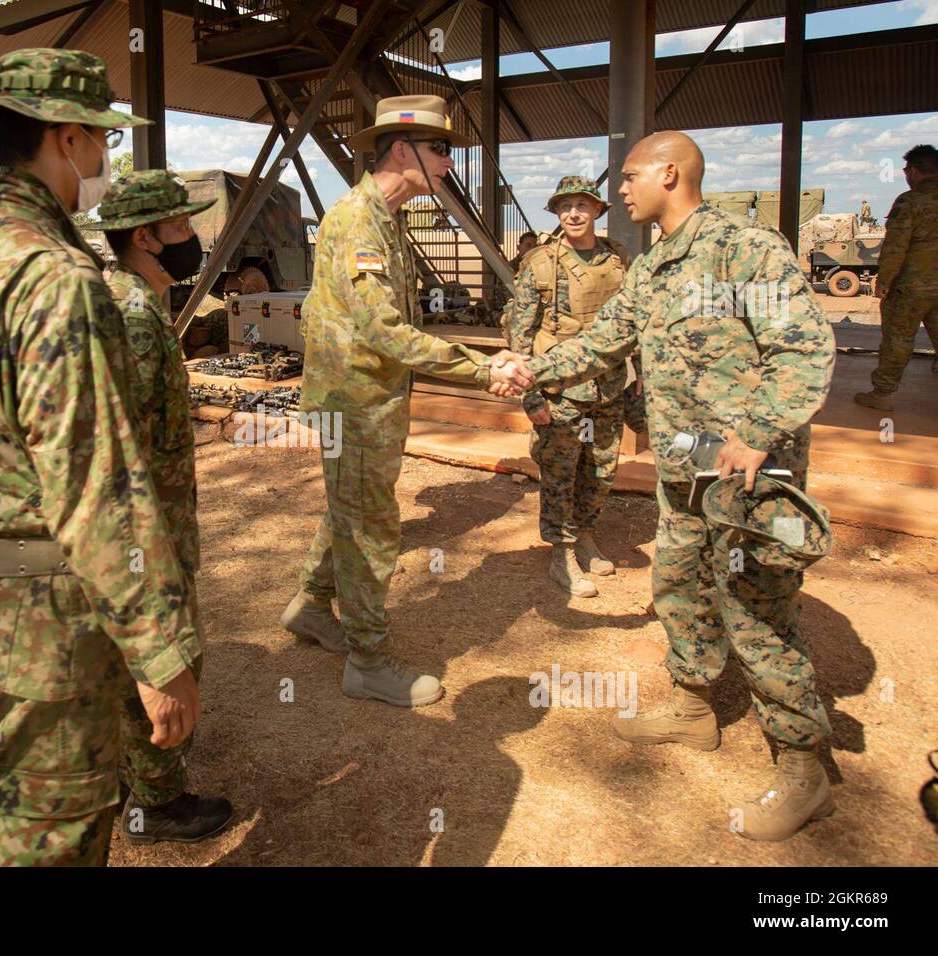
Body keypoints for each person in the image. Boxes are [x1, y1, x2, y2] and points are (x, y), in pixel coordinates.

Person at [491, 131, 837, 842]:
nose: (619, 190)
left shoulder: (744, 249)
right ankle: (691, 705)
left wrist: (758, 431)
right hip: (685, 463)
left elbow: (801, 347)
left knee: (757, 607)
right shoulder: (649, 269)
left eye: (630, 177)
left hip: (743, 467)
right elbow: (604, 341)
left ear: (669, 174)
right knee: (678, 584)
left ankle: (805, 766)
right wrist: (530, 370)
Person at [0, 48, 203, 866]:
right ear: (69, 140)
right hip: (51, 619)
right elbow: (94, 481)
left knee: (4, 814)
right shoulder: (57, 275)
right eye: (101, 142)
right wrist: (158, 649)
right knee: (44, 838)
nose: (104, 161)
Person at [280, 94, 514, 708]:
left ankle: (310, 605)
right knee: (370, 525)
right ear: (402, 149)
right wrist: (482, 370)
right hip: (355, 403)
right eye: (440, 150)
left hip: (367, 397)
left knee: (348, 508)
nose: (447, 163)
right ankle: (367, 660)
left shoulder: (386, 220)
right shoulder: (359, 221)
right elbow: (384, 329)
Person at [93, 169, 234, 844]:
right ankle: (156, 798)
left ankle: (135, 776)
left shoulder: (139, 305)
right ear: (145, 237)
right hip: (147, 530)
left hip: (157, 522)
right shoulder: (132, 316)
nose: (195, 238)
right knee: (166, 655)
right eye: (182, 227)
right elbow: (119, 454)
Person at [505, 176, 629, 597]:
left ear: (597, 211)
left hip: (607, 385)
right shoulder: (540, 263)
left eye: (582, 205)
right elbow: (520, 334)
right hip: (559, 390)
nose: (573, 214)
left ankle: (587, 535)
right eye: (564, 207)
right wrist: (530, 393)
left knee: (601, 469)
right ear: (557, 214)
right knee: (560, 473)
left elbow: (634, 323)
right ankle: (563, 554)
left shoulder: (618, 259)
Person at [854, 144, 938, 410]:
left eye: (906, 171)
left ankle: (883, 393)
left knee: (898, 340)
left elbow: (895, 248)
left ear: (913, 170)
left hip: (913, 287)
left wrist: (884, 282)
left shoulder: (911, 201)